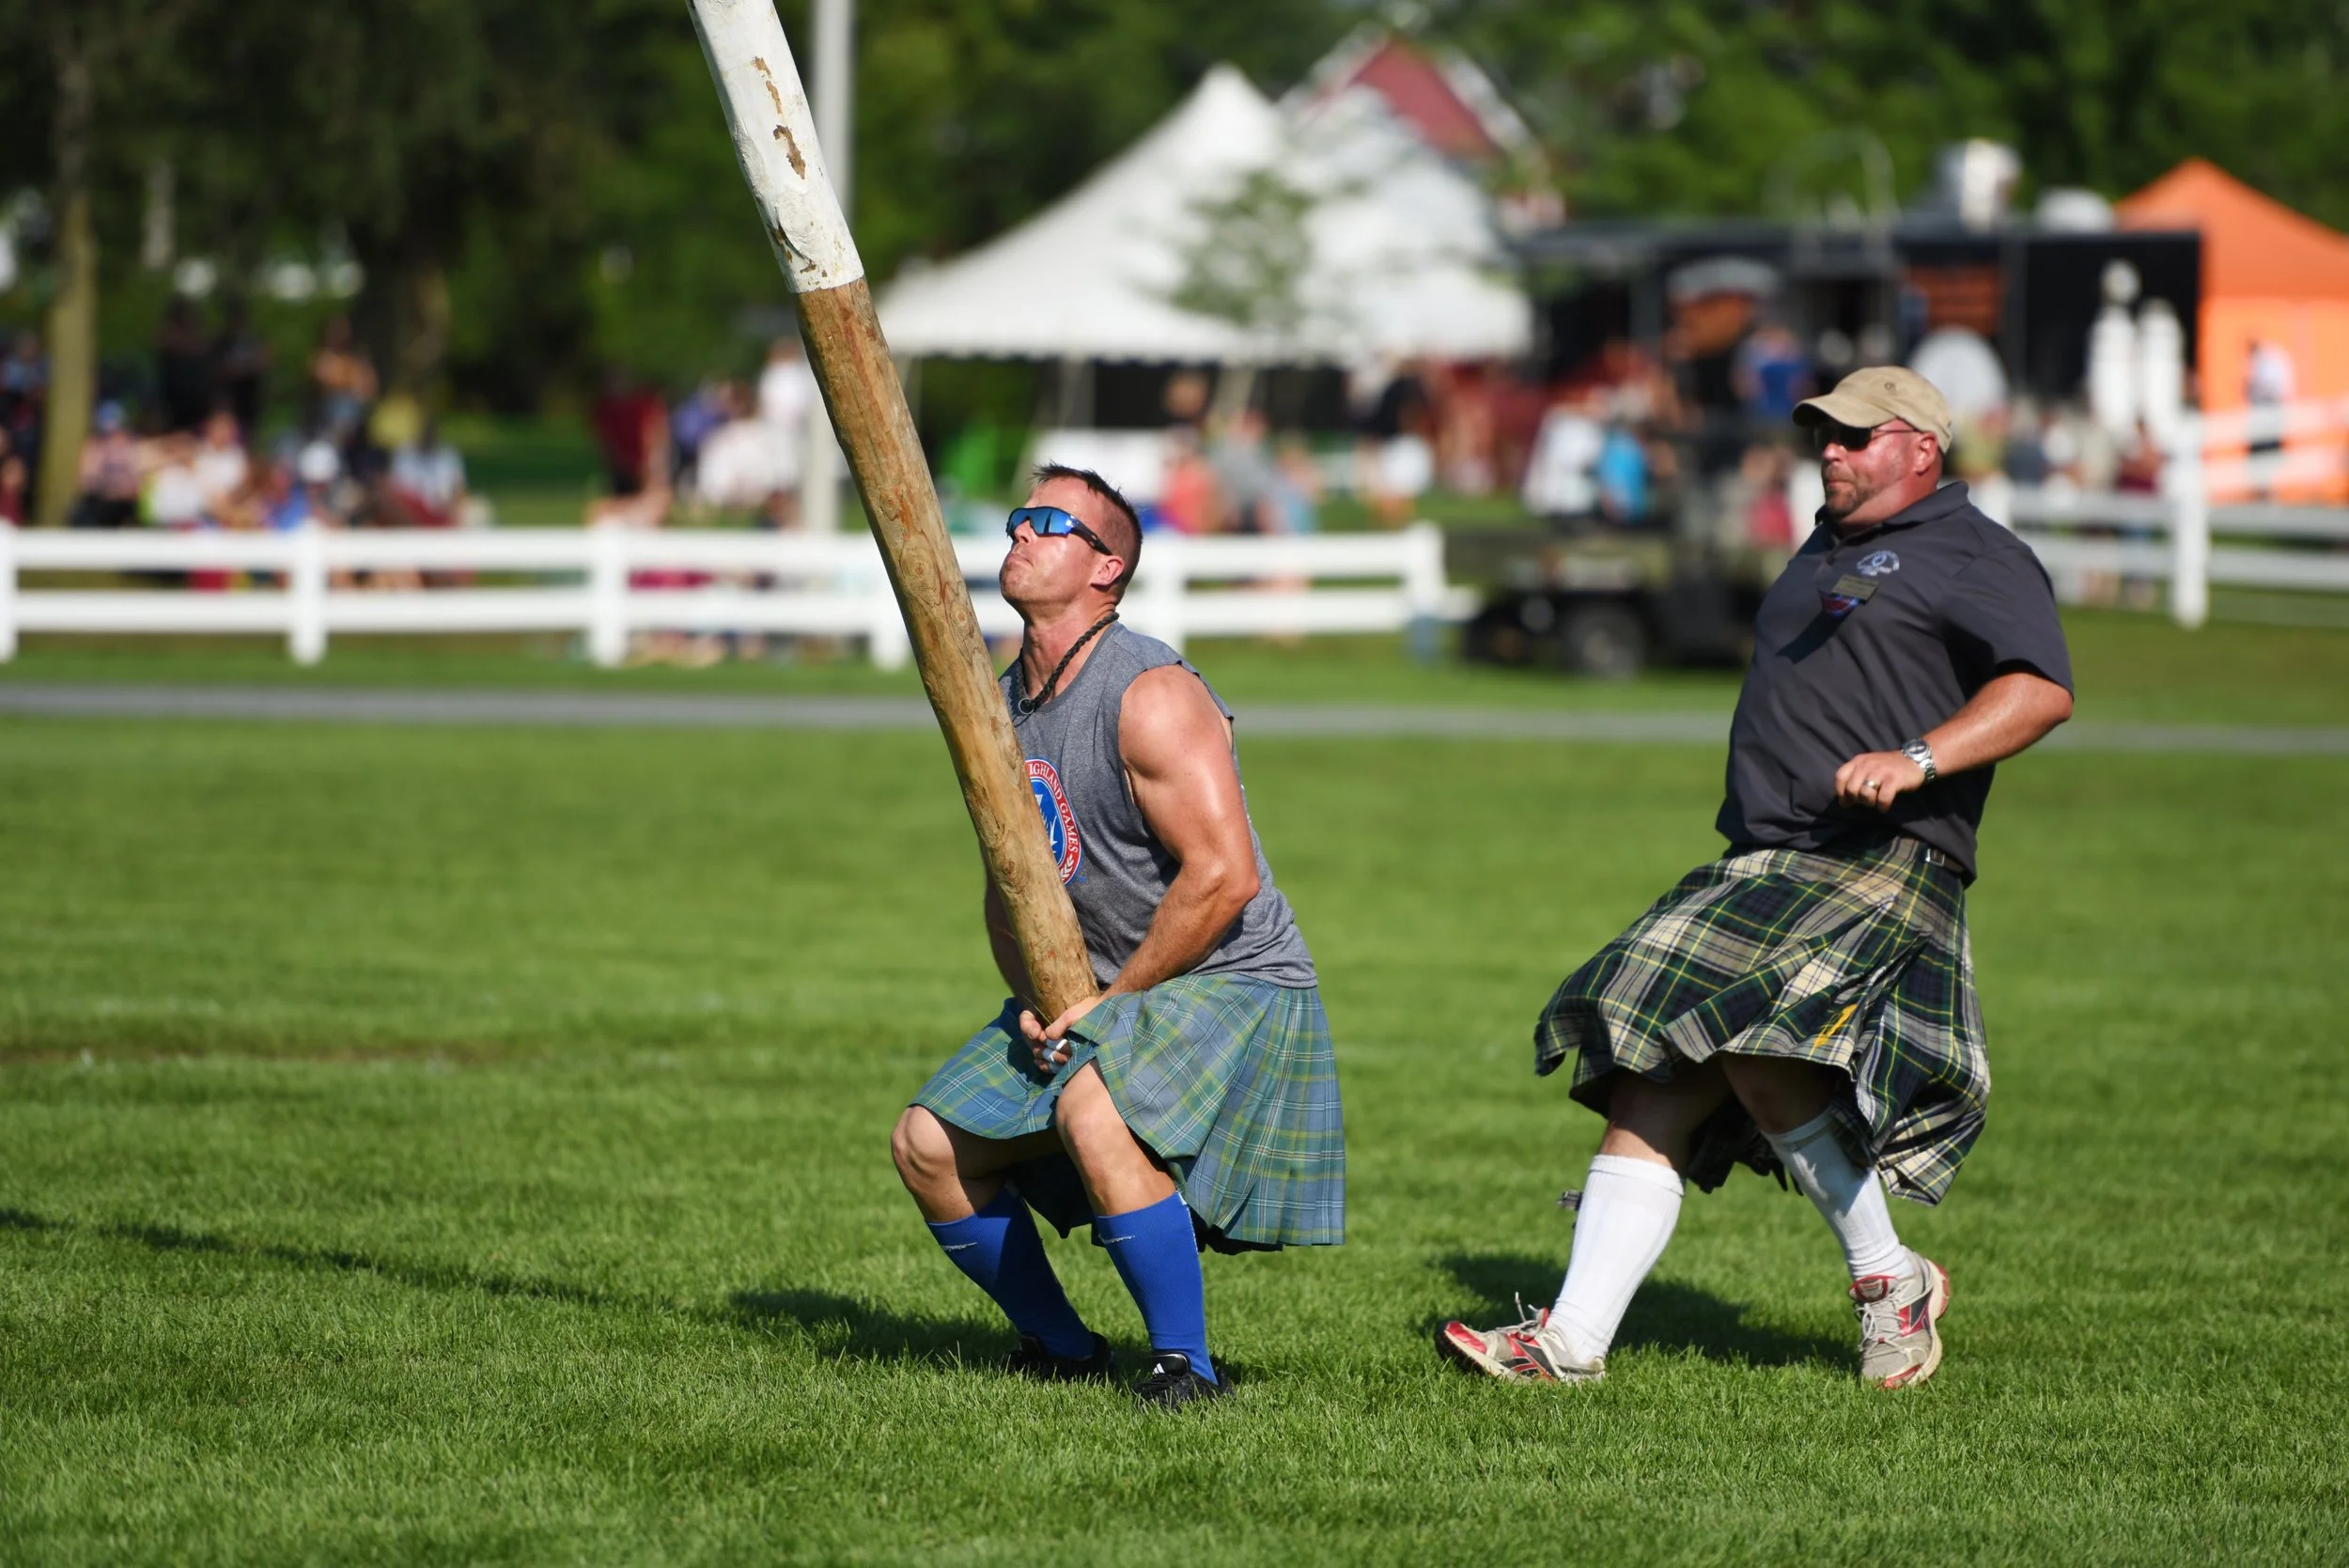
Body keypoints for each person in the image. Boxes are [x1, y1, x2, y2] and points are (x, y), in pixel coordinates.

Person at [1439, 367, 2074, 1391]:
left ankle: (1886, 1282)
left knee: (1766, 1054)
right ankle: (1569, 1345)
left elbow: (2040, 689)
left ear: (1921, 447)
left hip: (1878, 857)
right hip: (1767, 857)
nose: (1830, 449)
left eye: (1856, 436)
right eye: (1823, 433)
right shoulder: (1827, 543)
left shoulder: (1975, 554)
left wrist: (1917, 759)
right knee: (1650, 1076)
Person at [890, 465, 1344, 1410]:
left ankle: (1187, 1368)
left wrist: (1110, 999)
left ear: (1108, 568)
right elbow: (1012, 878)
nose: (1021, 531)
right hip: (1099, 985)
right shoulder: (996, 706)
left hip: (1233, 976)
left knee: (1090, 1108)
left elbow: (1224, 876)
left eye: (1052, 522)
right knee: (928, 1143)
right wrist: (1037, 998)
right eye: (1020, 516)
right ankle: (1059, 1347)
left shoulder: (1149, 691)